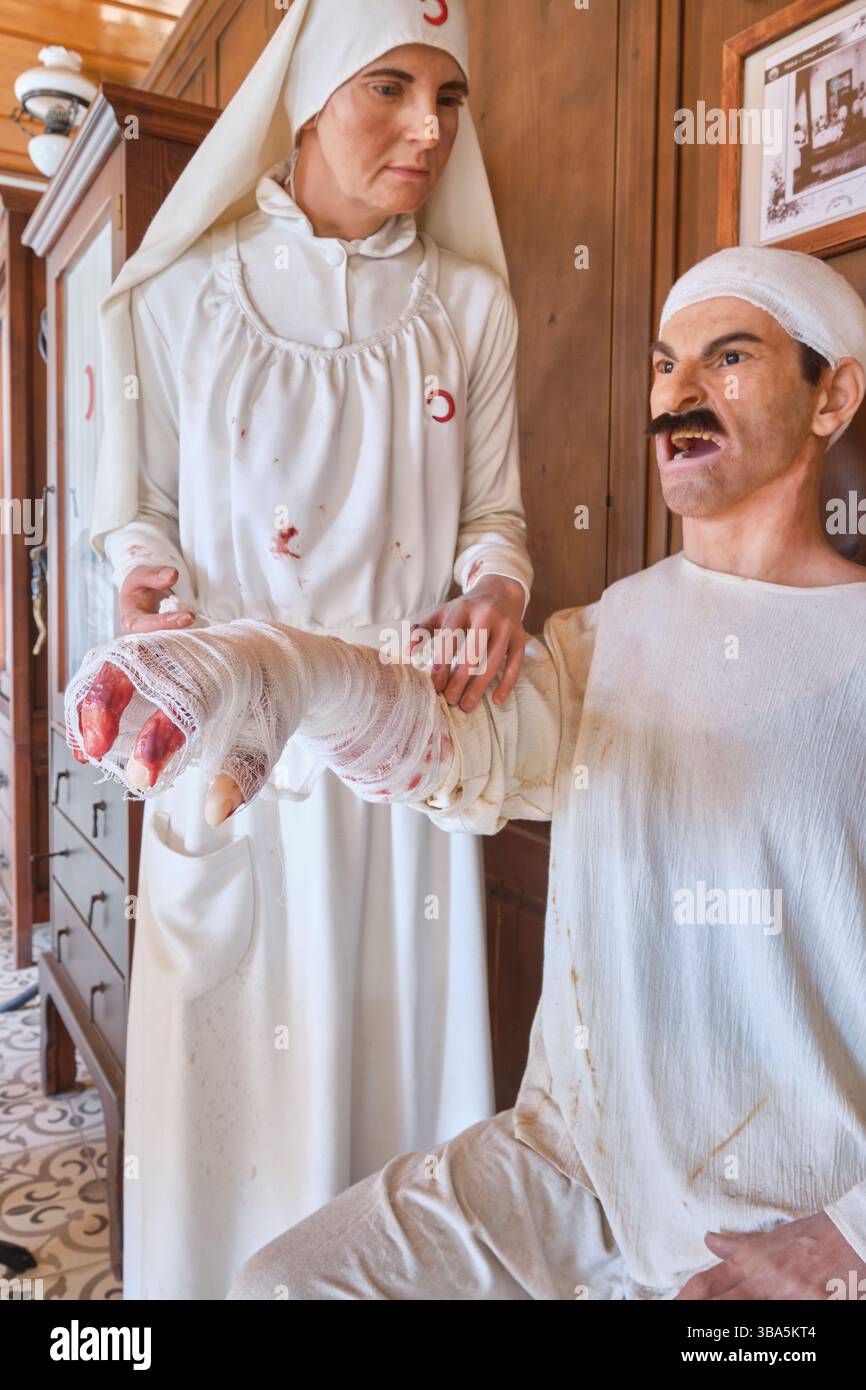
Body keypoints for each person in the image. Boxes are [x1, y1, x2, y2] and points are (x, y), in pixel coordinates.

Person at [71, 245, 866, 1301]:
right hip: (566, 1167)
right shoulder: (608, 632)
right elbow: (468, 750)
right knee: (283, 1285)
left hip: (789, 1218)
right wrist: (281, 671)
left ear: (832, 396)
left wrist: (842, 1239)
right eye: (664, 364)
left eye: (727, 360)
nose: (677, 394)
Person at [84, 0, 535, 1299]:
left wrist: (496, 593)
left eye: (449, 99)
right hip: (237, 752)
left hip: (401, 751)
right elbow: (141, 516)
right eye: (388, 87)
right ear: (306, 96)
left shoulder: (471, 310)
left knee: (392, 1081)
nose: (427, 128)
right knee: (234, 1083)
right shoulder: (176, 296)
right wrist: (149, 588)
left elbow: (493, 519)